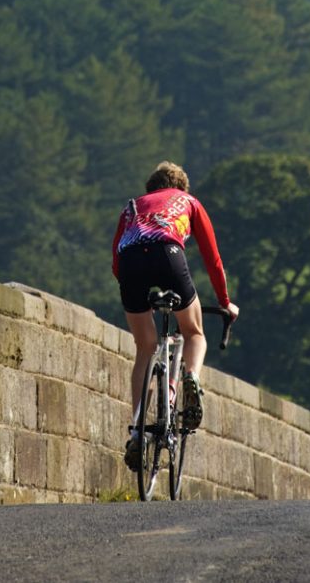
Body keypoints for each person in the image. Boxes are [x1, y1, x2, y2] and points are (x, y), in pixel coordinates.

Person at [111, 160, 239, 471]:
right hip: (167, 253)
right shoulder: (188, 201)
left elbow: (116, 258)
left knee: (145, 347)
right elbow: (212, 258)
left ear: (150, 189)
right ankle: (190, 378)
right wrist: (225, 301)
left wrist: (135, 294)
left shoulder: (132, 206)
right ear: (180, 187)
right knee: (194, 333)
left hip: (130, 263)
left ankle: (138, 430)